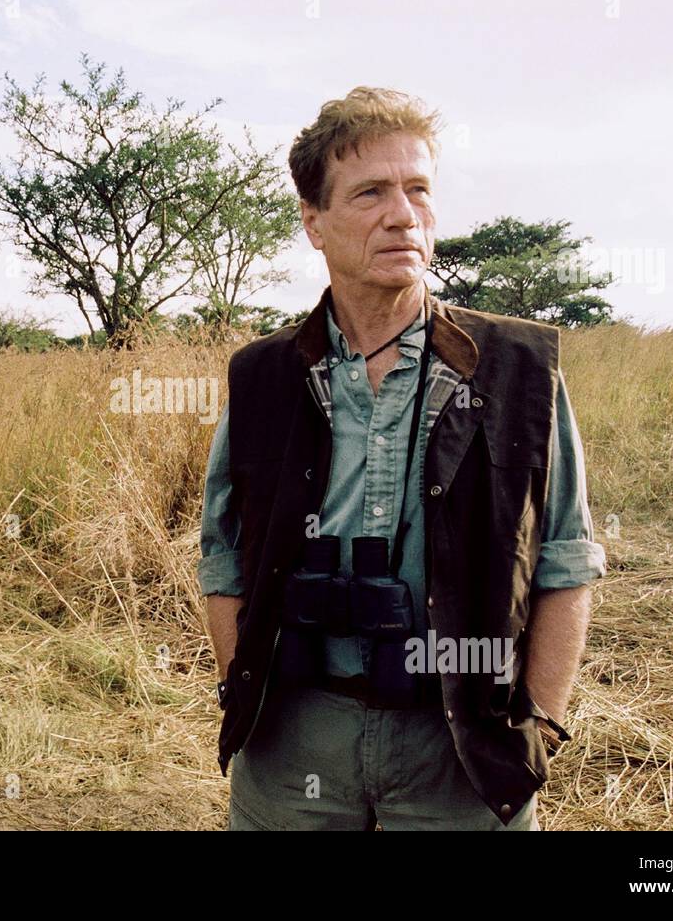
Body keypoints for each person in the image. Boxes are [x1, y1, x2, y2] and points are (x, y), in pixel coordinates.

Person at [199, 86, 606, 830]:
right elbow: (221, 555)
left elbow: (567, 560)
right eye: (370, 193)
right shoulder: (262, 376)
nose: (403, 214)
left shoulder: (517, 367)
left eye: (419, 189)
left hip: (463, 742)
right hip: (295, 738)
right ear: (314, 222)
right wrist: (241, 688)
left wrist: (539, 724)